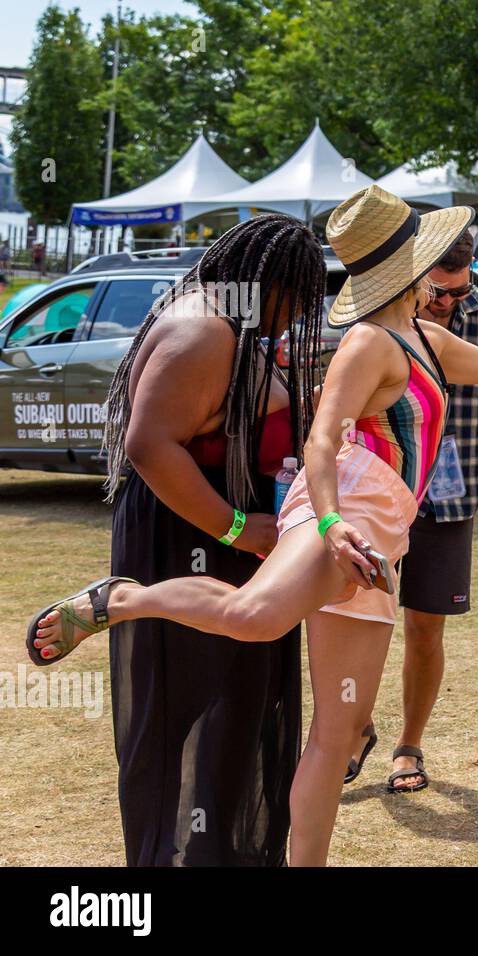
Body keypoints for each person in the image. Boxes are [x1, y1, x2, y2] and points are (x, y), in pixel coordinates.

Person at [28, 185, 478, 866]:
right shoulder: (368, 343)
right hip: (346, 512)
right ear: (412, 265)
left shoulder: (428, 339)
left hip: (383, 534)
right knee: (255, 615)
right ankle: (120, 600)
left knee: (340, 728)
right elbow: (323, 442)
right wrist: (328, 524)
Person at [85, 214, 322, 866]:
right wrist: (239, 528)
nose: (299, 313)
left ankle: (219, 853)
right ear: (264, 281)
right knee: (174, 712)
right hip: (184, 538)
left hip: (233, 545)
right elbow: (149, 445)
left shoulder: (234, 326)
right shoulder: (203, 329)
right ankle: (166, 859)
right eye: (296, 296)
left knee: (238, 709)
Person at [346, 228, 478, 793]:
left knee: (424, 625)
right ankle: (356, 728)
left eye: (459, 293)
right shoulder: (381, 319)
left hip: (450, 500)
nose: (447, 303)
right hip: (380, 494)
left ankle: (409, 746)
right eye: (437, 292)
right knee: (361, 620)